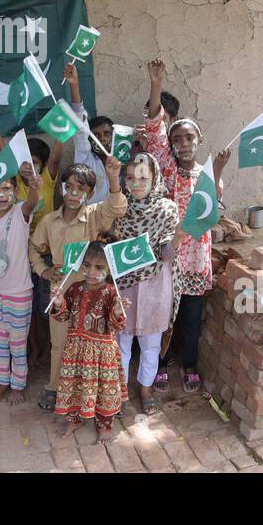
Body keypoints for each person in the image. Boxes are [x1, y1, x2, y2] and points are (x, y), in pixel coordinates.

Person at [142, 59, 230, 395]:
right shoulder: (163, 167)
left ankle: (189, 364)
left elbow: (213, 209)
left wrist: (218, 170)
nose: (182, 142)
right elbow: (153, 129)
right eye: (176, 137)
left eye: (188, 137)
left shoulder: (205, 174)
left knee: (191, 317)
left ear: (199, 139)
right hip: (166, 256)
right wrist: (156, 84)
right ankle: (161, 364)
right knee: (163, 315)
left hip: (195, 259)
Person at [28, 156, 126, 412]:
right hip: (61, 291)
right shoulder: (49, 221)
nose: (73, 193)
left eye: (81, 189)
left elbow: (117, 208)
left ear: (90, 193)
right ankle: (55, 388)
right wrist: (44, 270)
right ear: (61, 188)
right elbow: (34, 248)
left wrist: (114, 179)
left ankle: (92, 393)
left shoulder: (95, 215)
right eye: (69, 186)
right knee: (60, 341)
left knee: (92, 341)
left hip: (92, 290)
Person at [111, 153, 178, 415]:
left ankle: (145, 388)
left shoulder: (167, 209)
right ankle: (119, 389)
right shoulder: (118, 208)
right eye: (129, 178)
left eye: (143, 178)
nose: (136, 184)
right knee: (121, 340)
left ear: (155, 179)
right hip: (123, 283)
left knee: (151, 342)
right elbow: (109, 237)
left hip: (154, 282)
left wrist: (169, 247)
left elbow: (169, 243)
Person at [51, 241, 128, 441]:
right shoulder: (75, 288)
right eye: (86, 265)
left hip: (101, 354)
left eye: (99, 267)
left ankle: (105, 425)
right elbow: (62, 316)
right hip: (75, 351)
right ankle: (74, 419)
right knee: (75, 385)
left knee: (103, 388)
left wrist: (118, 312)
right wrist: (59, 303)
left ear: (109, 268)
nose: (91, 272)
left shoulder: (111, 292)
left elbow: (115, 327)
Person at [0, 168, 40, 405]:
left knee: (17, 342)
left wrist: (34, 185)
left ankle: (18, 385)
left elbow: (33, 201)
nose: (1, 194)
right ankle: (3, 383)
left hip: (20, 291)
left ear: (15, 191)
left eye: (6, 188)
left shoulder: (20, 212)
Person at [63, 62, 115, 203]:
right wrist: (74, 85)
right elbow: (80, 128)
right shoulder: (85, 158)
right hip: (90, 220)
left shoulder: (121, 158)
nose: (102, 139)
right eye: (96, 136)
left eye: (107, 134)